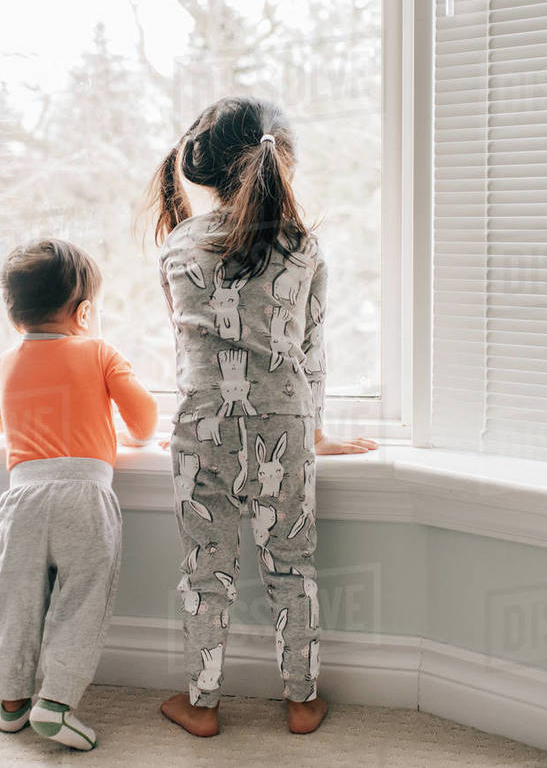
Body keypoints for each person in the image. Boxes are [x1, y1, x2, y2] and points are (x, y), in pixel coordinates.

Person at [146, 96, 377, 737]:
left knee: (205, 565)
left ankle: (201, 703)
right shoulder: (303, 248)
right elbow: (311, 350)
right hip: (285, 422)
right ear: (284, 164)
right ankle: (302, 701)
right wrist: (316, 431)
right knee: (291, 565)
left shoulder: (178, 247)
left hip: (202, 426)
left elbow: (186, 344)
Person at [0, 238, 157, 750]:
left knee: (16, 599)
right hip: (84, 494)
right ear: (84, 312)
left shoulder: (6, 363)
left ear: (16, 316)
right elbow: (145, 422)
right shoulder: (99, 351)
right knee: (82, 600)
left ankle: (12, 701)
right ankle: (56, 702)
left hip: (24, 498)